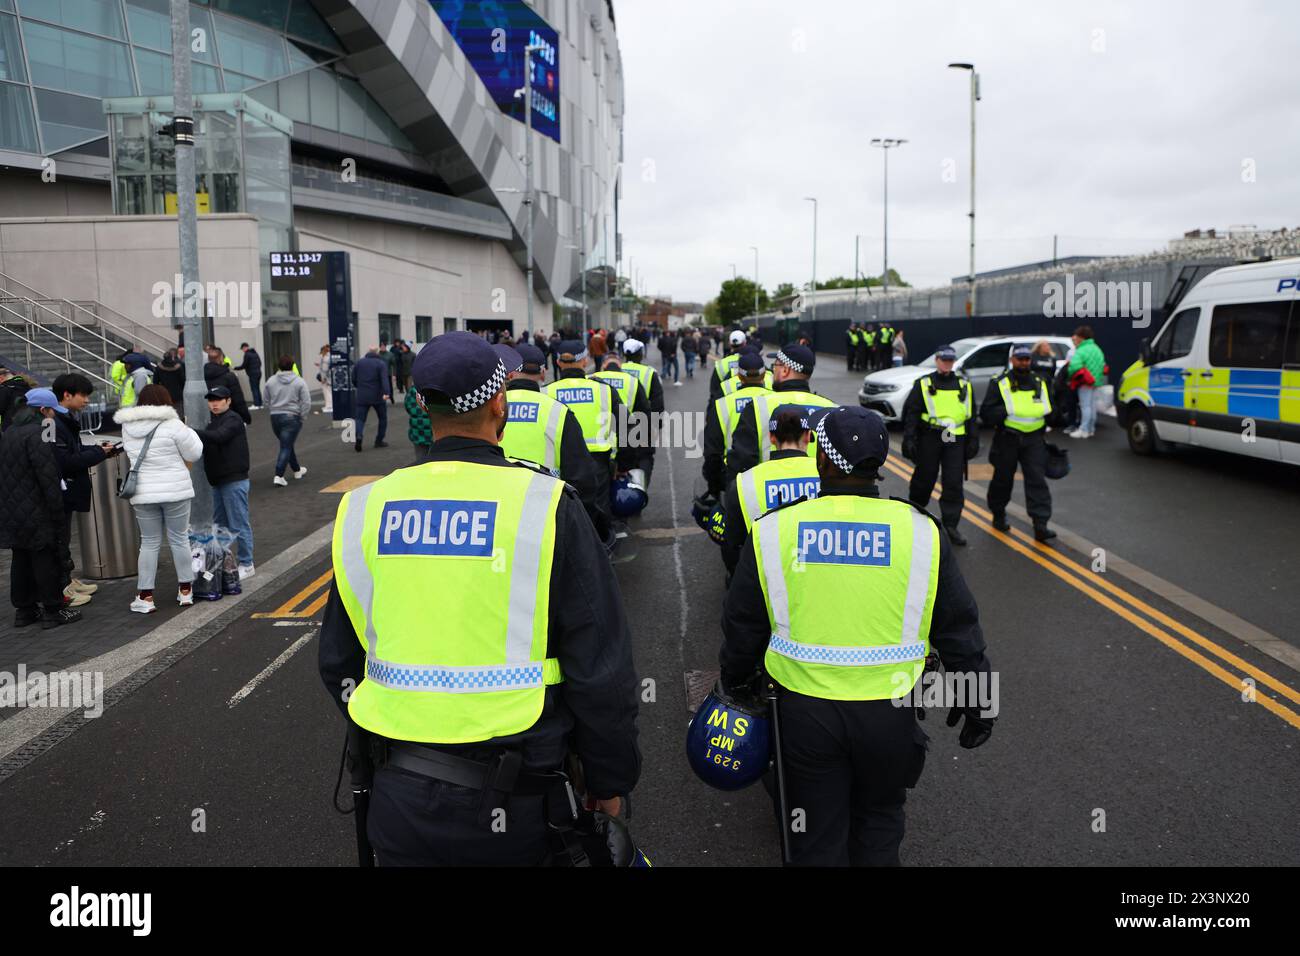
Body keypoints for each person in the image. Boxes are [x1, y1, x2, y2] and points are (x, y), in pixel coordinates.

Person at [317, 330, 640, 866]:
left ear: (422, 405)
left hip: (400, 798)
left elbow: (339, 662)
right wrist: (608, 779)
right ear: (499, 402)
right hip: (521, 799)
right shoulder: (546, 505)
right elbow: (600, 669)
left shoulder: (363, 508)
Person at [719, 405, 994, 866]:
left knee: (815, 837)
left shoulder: (774, 529)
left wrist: (736, 683)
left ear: (821, 461)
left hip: (805, 713)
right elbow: (959, 626)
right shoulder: (921, 530)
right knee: (880, 824)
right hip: (891, 714)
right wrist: (979, 702)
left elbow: (743, 624)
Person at [497, 343, 607, 536]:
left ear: (510, 373)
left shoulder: (490, 409)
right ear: (543, 373)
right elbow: (582, 478)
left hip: (497, 506)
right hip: (545, 510)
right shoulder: (556, 410)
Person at [115, 384, 203, 612]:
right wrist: (188, 429)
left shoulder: (127, 426)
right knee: (179, 539)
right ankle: (185, 591)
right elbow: (194, 453)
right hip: (176, 491)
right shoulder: (174, 424)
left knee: (150, 542)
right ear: (166, 401)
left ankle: (145, 597)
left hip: (143, 493)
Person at [0, 388, 82, 629]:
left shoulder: (10, 431)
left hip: (12, 508)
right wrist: (57, 510)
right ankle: (52, 610)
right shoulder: (40, 433)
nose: (54, 417)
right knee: (44, 557)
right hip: (37, 508)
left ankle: (24, 611)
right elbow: (48, 476)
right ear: (43, 411)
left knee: (21, 558)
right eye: (52, 412)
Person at [543, 341, 633, 536]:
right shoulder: (604, 390)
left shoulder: (546, 392)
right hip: (597, 464)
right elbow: (628, 425)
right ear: (585, 361)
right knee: (598, 515)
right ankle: (603, 555)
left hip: (558, 466)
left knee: (560, 517)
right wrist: (623, 464)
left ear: (558, 362)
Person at [721, 406, 819, 576]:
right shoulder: (826, 475)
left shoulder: (744, 482)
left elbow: (732, 545)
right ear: (808, 435)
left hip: (765, 575)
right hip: (814, 573)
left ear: (772, 438)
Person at [724, 344, 835, 487]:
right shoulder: (831, 409)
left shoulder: (757, 407)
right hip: (820, 501)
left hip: (768, 499)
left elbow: (741, 463)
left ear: (785, 370)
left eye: (775, 365)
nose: (773, 369)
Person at [51, 373, 119, 605]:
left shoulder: (64, 419)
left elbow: (71, 453)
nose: (87, 400)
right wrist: (99, 453)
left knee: (64, 538)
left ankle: (67, 580)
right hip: (61, 489)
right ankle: (62, 587)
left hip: (66, 489)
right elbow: (62, 461)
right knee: (58, 539)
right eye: (84, 395)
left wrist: (97, 450)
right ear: (66, 395)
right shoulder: (51, 422)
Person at [902, 345, 977, 546]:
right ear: (936, 360)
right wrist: (909, 438)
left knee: (953, 483)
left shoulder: (964, 385)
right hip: (931, 436)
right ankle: (916, 519)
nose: (947, 364)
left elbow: (971, 415)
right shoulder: (924, 383)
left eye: (950, 360)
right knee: (924, 479)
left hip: (955, 438)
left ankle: (951, 525)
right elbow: (912, 413)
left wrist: (973, 439)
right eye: (943, 360)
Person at [981, 343, 1056, 541]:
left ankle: (1040, 525)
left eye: (1027, 359)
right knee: (1002, 480)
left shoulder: (1040, 381)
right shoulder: (1000, 382)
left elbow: (1052, 409)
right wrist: (1005, 412)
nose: (1024, 362)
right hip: (1008, 439)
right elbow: (986, 413)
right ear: (1012, 360)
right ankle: (998, 514)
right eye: (1020, 359)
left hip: (1034, 440)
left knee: (1037, 482)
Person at [197, 385, 255, 576]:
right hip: (219, 482)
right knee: (220, 525)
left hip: (233, 480)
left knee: (238, 524)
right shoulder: (214, 421)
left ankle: (247, 564)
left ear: (228, 401)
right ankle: (222, 563)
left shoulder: (233, 419)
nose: (214, 403)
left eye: (218, 399)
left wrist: (192, 431)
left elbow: (219, 437)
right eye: (211, 400)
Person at [702, 350, 772, 501]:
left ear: (739, 376)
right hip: (770, 476)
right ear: (764, 374)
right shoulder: (775, 400)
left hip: (735, 478)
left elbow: (712, 453)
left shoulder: (723, 405)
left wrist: (715, 487)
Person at [264, 355, 311, 486]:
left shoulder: (271, 381)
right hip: (292, 416)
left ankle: (297, 470)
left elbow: (265, 399)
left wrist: (273, 409)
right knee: (286, 445)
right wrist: (302, 416)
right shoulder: (299, 381)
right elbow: (306, 401)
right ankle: (279, 475)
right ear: (293, 365)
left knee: (287, 444)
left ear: (278, 366)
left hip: (275, 417)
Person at [1066, 325, 1106, 439]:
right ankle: (1091, 429)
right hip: (1096, 381)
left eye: (1077, 336)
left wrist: (1070, 374)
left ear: (1081, 337)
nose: (1075, 339)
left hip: (1084, 382)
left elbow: (1074, 366)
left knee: (1085, 406)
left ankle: (1083, 429)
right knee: (1092, 406)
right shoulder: (1097, 348)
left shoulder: (1081, 350)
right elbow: (1102, 365)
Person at [353, 347, 392, 452]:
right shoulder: (380, 363)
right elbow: (384, 379)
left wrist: (359, 386)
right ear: (377, 352)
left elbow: (354, 378)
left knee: (360, 419)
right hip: (377, 396)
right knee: (382, 418)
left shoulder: (359, 363)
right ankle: (379, 440)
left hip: (362, 396)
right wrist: (387, 393)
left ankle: (359, 436)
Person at [203, 348, 252, 424]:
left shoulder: (201, 377)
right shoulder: (229, 376)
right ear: (221, 358)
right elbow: (238, 399)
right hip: (229, 417)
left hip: (210, 418)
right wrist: (245, 417)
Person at [710, 330, 750, 401]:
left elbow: (714, 390)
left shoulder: (721, 363)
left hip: (727, 401)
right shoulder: (754, 361)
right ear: (745, 342)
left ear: (730, 344)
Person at [234, 343, 264, 409]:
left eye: (242, 349)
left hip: (253, 374)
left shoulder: (247, 354)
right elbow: (260, 363)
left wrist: (236, 368)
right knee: (257, 388)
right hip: (258, 373)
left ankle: (256, 405)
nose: (242, 350)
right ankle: (260, 404)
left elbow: (244, 365)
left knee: (254, 389)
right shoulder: (255, 353)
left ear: (245, 347)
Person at [316, 344, 333, 415]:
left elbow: (325, 369)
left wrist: (324, 378)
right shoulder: (328, 357)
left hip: (326, 378)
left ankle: (329, 406)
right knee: (328, 391)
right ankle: (328, 405)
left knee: (327, 391)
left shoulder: (326, 358)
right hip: (327, 377)